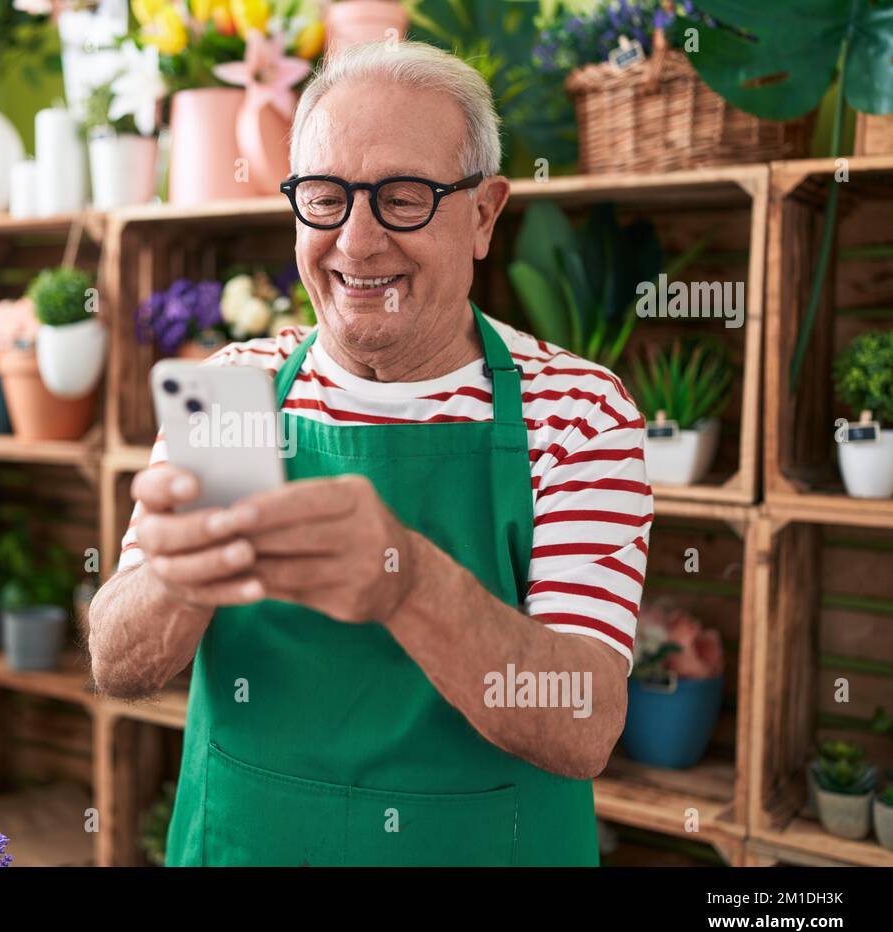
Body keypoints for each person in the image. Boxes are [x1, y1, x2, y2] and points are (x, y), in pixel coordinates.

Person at [87, 40, 652, 866]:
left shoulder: (577, 414)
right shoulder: (232, 393)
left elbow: (583, 726)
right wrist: (178, 576)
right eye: (325, 197)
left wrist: (407, 582)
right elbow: (118, 665)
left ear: (485, 214)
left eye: (403, 197)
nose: (356, 242)